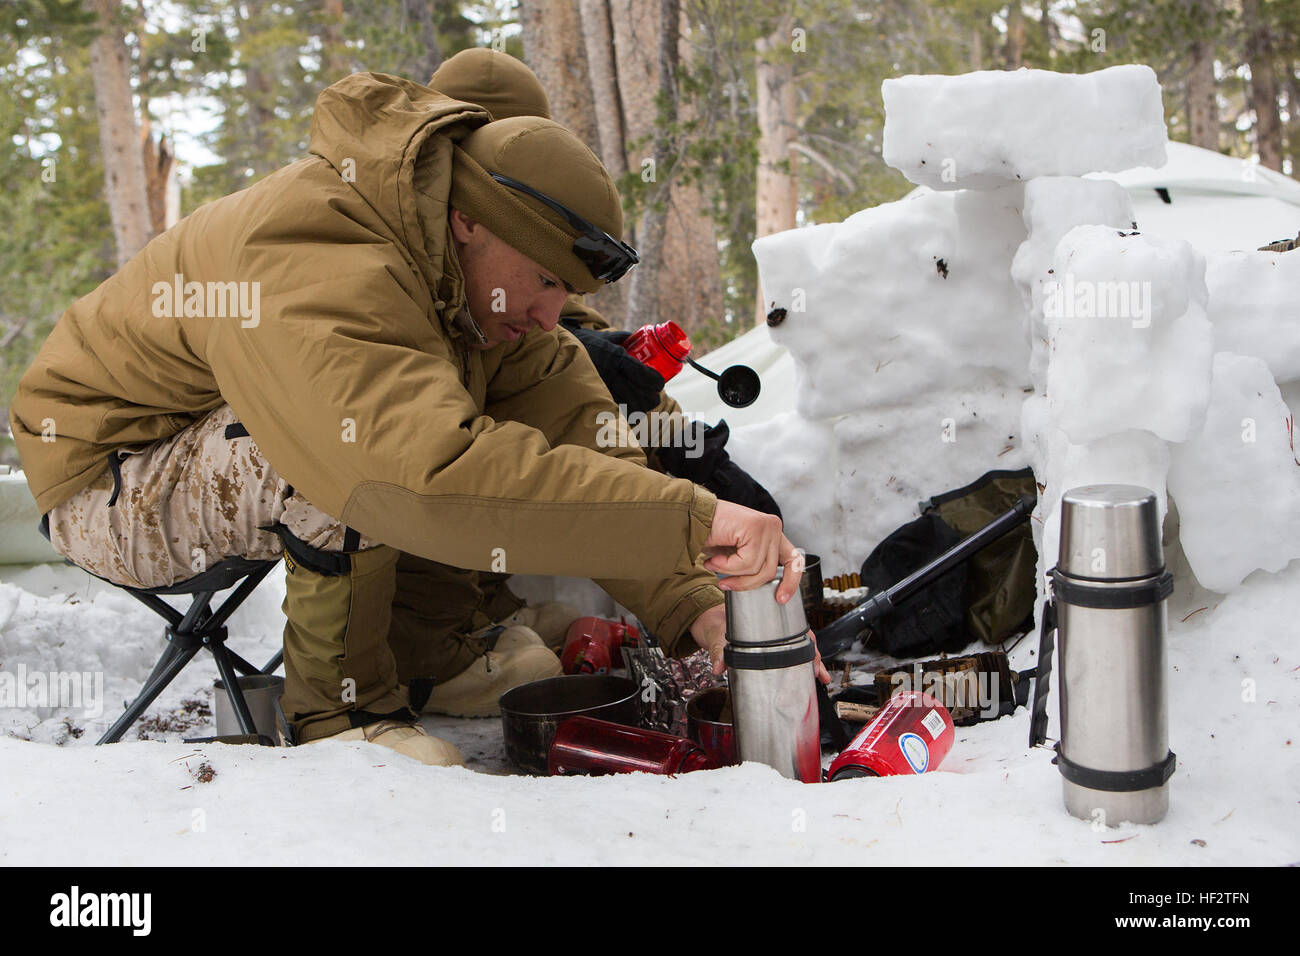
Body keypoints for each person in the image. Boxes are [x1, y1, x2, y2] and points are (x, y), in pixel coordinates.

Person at [10, 70, 820, 767]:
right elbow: (410, 474)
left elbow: (584, 450)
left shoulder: (468, 285)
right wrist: (697, 516)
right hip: (108, 478)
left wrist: (695, 607)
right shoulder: (320, 243)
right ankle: (341, 716)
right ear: (471, 218)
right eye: (541, 281)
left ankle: (428, 656)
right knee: (349, 451)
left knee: (449, 423)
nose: (549, 316)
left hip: (202, 446)